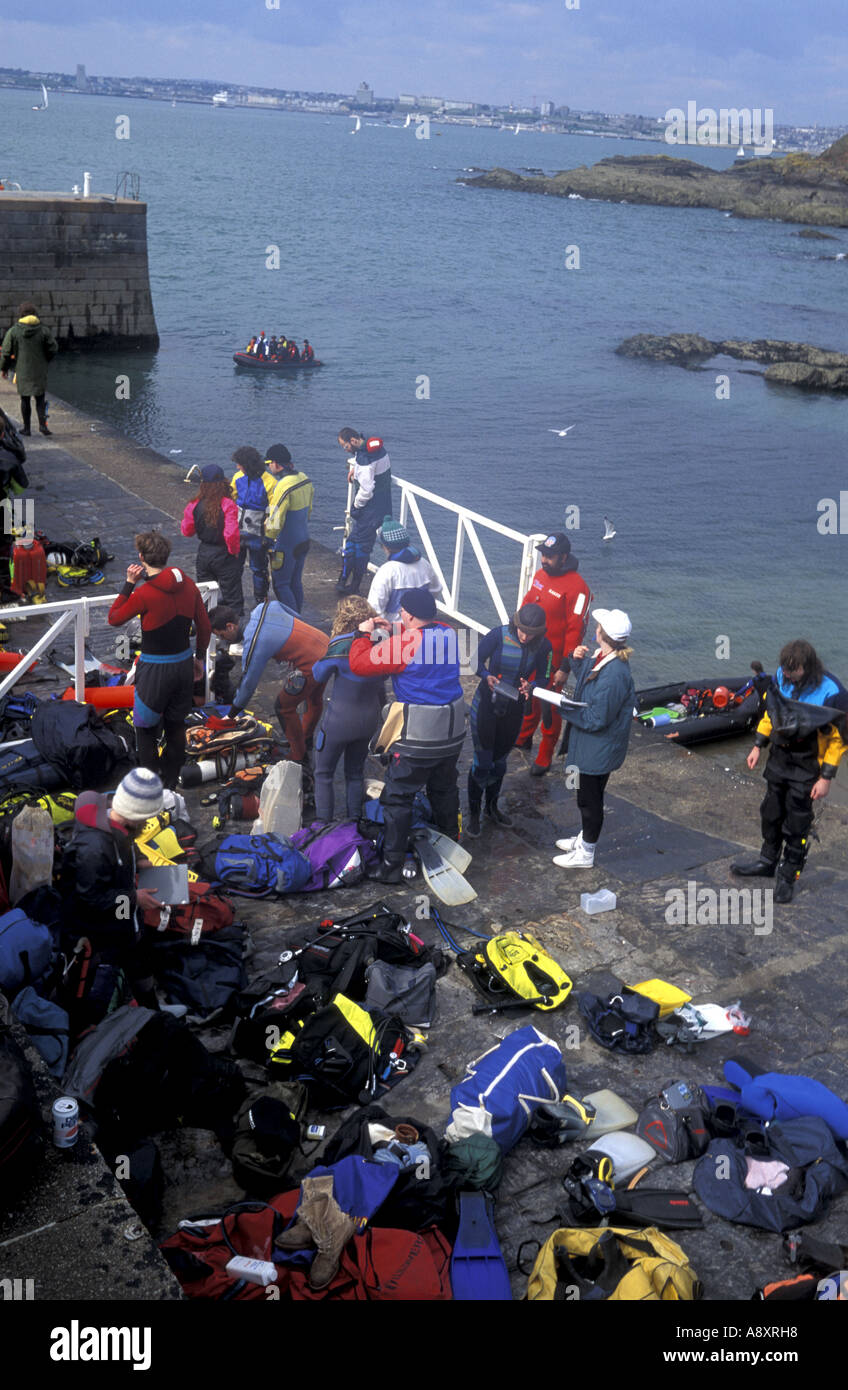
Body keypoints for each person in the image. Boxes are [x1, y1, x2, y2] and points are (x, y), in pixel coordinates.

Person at [348, 587, 466, 883]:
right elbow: (422, 635)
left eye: (402, 611)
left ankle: (391, 865)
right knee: (444, 789)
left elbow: (359, 664)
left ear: (410, 614)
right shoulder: (450, 634)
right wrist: (396, 629)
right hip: (451, 733)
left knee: (397, 799)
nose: (399, 614)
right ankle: (450, 842)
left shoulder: (404, 645)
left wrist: (363, 635)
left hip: (418, 736)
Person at [731, 640, 847, 903]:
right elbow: (771, 715)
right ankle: (767, 861)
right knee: (771, 812)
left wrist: (826, 777)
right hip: (780, 758)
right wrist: (758, 745)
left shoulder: (831, 691)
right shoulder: (782, 678)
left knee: (797, 822)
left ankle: (788, 876)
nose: (787, 675)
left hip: (808, 765)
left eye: (793, 671)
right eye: (785, 669)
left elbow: (838, 740)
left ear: (807, 667)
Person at [60, 768, 168, 1012]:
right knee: (122, 960)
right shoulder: (93, 849)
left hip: (122, 916)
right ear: (134, 814)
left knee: (138, 953)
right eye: (147, 817)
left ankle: (151, 1010)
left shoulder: (117, 822)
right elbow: (90, 898)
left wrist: (139, 861)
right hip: (102, 929)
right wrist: (134, 898)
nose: (148, 823)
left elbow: (122, 852)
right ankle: (131, 1015)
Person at [108, 532, 211, 787]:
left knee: (145, 729)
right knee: (176, 726)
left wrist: (129, 583)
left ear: (141, 557)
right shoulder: (188, 584)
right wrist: (198, 657)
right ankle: (171, 785)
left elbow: (114, 618)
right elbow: (205, 627)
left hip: (155, 669)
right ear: (166, 556)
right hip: (184, 664)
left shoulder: (145, 593)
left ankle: (149, 787)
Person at [551, 608, 635, 869]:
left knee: (589, 800)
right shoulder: (604, 658)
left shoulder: (614, 675)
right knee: (587, 795)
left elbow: (596, 719)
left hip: (598, 748)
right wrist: (575, 660)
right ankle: (584, 838)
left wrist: (563, 707)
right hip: (595, 747)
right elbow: (588, 679)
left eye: (598, 626)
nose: (595, 628)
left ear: (602, 634)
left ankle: (587, 852)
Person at [466, 604, 552, 837]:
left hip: (514, 708)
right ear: (516, 624)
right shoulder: (498, 635)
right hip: (486, 704)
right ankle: (473, 813)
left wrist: (532, 686)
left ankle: (491, 808)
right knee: (482, 761)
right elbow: (474, 662)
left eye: (531, 633)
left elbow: (545, 677)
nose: (525, 637)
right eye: (522, 630)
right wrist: (486, 676)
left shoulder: (544, 646)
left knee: (499, 763)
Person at [210, 601, 328, 764]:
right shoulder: (264, 607)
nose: (223, 640)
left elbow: (248, 683)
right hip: (324, 643)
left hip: (311, 663)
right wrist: (294, 646)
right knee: (313, 697)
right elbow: (295, 615)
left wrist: (231, 714)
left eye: (222, 635)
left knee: (283, 706)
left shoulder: (254, 641)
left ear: (230, 626)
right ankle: (304, 739)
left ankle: (298, 755)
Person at [517, 533, 593, 777]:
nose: (544, 560)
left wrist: (565, 667)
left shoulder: (578, 588)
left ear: (563, 557)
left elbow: (576, 630)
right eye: (543, 554)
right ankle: (525, 735)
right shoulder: (540, 576)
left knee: (549, 706)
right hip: (531, 651)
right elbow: (527, 604)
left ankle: (546, 752)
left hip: (554, 660)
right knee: (528, 695)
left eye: (549, 556)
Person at [311, 596, 385, 822]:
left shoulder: (341, 643)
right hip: (369, 719)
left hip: (339, 721)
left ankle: (324, 826)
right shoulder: (381, 642)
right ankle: (354, 823)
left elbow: (318, 674)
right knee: (355, 773)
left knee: (323, 774)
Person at [180, 463, 244, 615]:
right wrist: (234, 551)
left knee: (206, 595)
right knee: (232, 598)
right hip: (224, 555)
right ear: (223, 483)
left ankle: (207, 631)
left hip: (204, 554)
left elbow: (187, 531)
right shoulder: (228, 504)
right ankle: (234, 633)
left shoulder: (193, 504)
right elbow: (231, 534)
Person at [336, 428, 392, 596]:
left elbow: (367, 489)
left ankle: (352, 585)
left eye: (345, 446)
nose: (345, 450)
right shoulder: (373, 447)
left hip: (370, 509)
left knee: (359, 545)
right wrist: (356, 469)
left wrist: (356, 505)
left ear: (353, 440)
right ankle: (345, 580)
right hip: (382, 504)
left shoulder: (365, 457)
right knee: (356, 542)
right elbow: (370, 470)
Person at [264, 443, 314, 612]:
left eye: (269, 463)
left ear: (276, 463)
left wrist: (268, 537)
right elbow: (310, 509)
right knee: (295, 582)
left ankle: (293, 622)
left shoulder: (283, 485)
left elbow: (276, 515)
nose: (269, 467)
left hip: (287, 543)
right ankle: (298, 615)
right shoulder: (304, 478)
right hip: (304, 538)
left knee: (281, 584)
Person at [367, 516, 443, 623]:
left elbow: (374, 608)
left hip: (395, 628)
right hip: (420, 625)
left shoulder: (387, 571)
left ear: (386, 547)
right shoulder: (424, 563)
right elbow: (436, 589)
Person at [1, 301, 58, 437]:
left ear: (21, 314)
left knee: (25, 400)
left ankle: (26, 429)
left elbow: (6, 353)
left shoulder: (14, 331)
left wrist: (4, 369)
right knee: (40, 398)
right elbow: (53, 348)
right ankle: (42, 426)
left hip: (22, 370)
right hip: (39, 370)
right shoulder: (43, 330)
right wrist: (46, 360)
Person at [231, 445, 275, 603]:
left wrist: (270, 537)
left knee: (259, 569)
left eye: (239, 464)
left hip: (258, 536)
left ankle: (260, 599)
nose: (237, 467)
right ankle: (235, 599)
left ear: (247, 465)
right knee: (234, 569)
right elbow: (231, 499)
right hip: (238, 533)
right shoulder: (237, 477)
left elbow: (274, 511)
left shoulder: (269, 482)